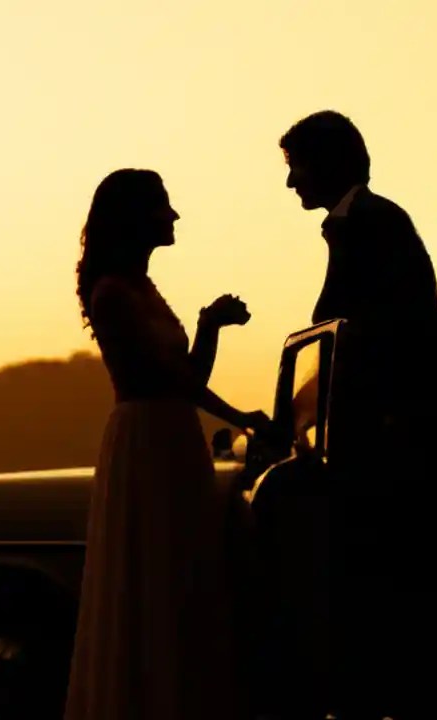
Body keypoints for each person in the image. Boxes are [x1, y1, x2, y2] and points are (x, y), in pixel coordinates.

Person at [277, 111, 437, 718]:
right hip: (393, 450)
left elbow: (369, 343)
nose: (291, 185)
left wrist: (297, 419)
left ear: (329, 163)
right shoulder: (368, 225)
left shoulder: (372, 227)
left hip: (395, 459)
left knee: (385, 611)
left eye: (297, 168)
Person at [62, 168, 269, 720]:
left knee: (183, 573)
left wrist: (209, 326)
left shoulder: (144, 289)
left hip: (176, 439)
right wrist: (240, 416)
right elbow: (166, 380)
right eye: (162, 208)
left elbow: (186, 373)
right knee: (151, 573)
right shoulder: (111, 295)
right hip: (147, 444)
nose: (173, 217)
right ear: (135, 218)